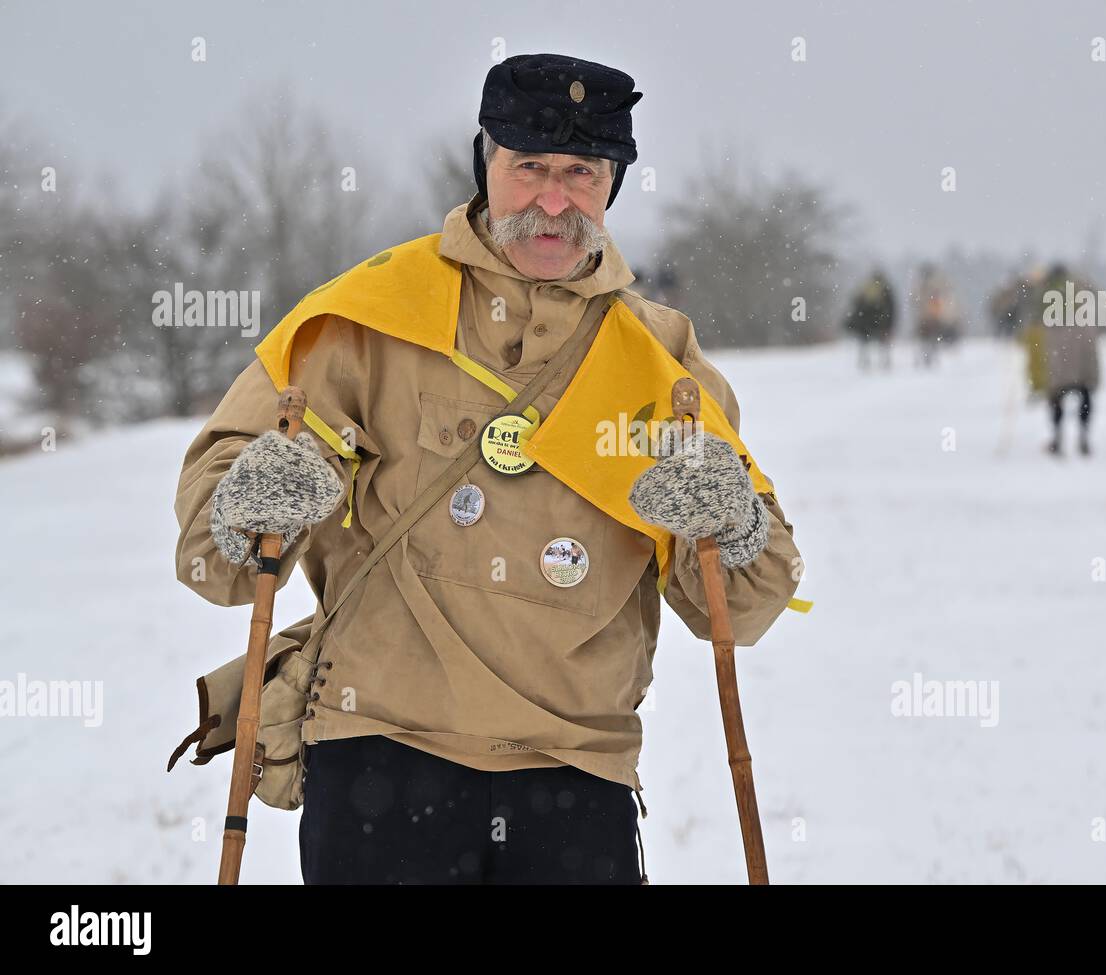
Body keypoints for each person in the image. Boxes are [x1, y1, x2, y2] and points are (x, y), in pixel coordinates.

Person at [170, 53, 804, 885]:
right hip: (381, 762)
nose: (552, 200)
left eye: (580, 172)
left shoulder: (661, 364)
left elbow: (747, 608)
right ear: (485, 163)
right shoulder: (369, 320)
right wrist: (247, 500)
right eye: (529, 167)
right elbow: (213, 559)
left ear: (612, 182)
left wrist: (734, 525)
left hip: (577, 777)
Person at [1035, 263, 1099, 457]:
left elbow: (1035, 313)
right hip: (1083, 344)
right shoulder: (1081, 286)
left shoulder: (1046, 290)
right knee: (1085, 392)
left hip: (1058, 346)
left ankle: (1057, 437)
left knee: (1056, 394)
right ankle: (1084, 436)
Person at [843, 268, 895, 369]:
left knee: (864, 341)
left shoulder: (865, 286)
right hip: (879, 319)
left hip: (865, 319)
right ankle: (885, 361)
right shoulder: (885, 288)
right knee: (882, 342)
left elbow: (856, 301)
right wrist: (888, 322)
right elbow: (890, 306)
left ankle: (865, 361)